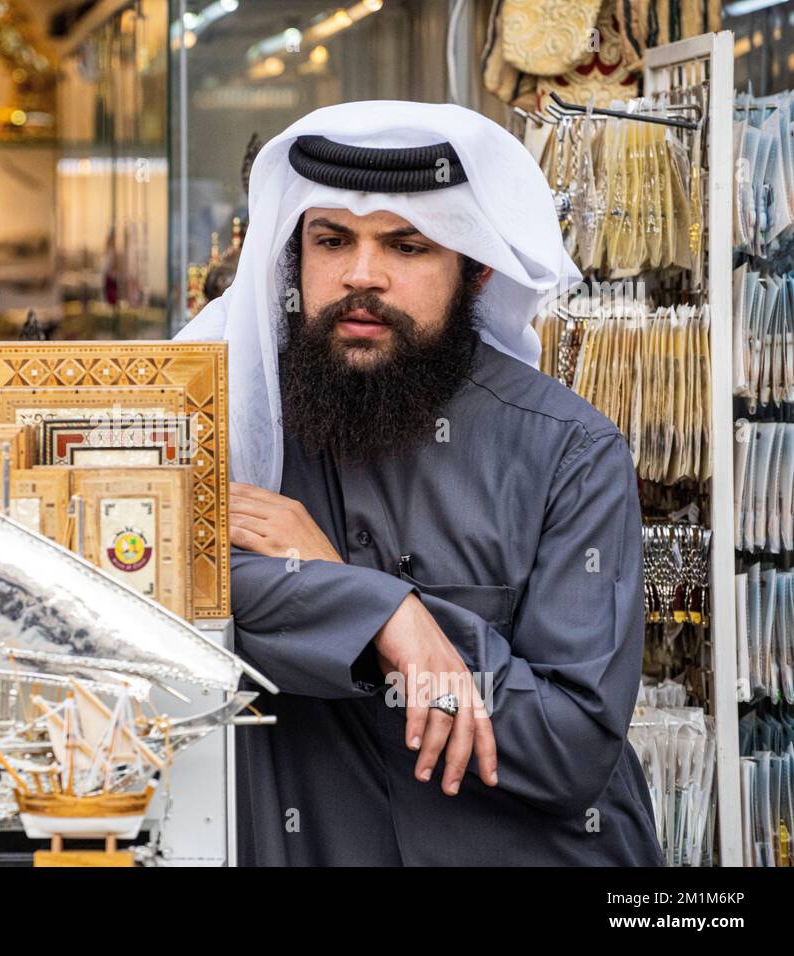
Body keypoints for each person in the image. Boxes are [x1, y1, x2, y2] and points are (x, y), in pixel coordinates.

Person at [176, 101, 663, 866]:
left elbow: (569, 747)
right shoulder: (234, 415)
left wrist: (342, 590)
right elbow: (150, 571)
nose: (361, 275)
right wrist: (386, 618)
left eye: (406, 246)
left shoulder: (569, 451)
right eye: (331, 240)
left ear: (475, 272)